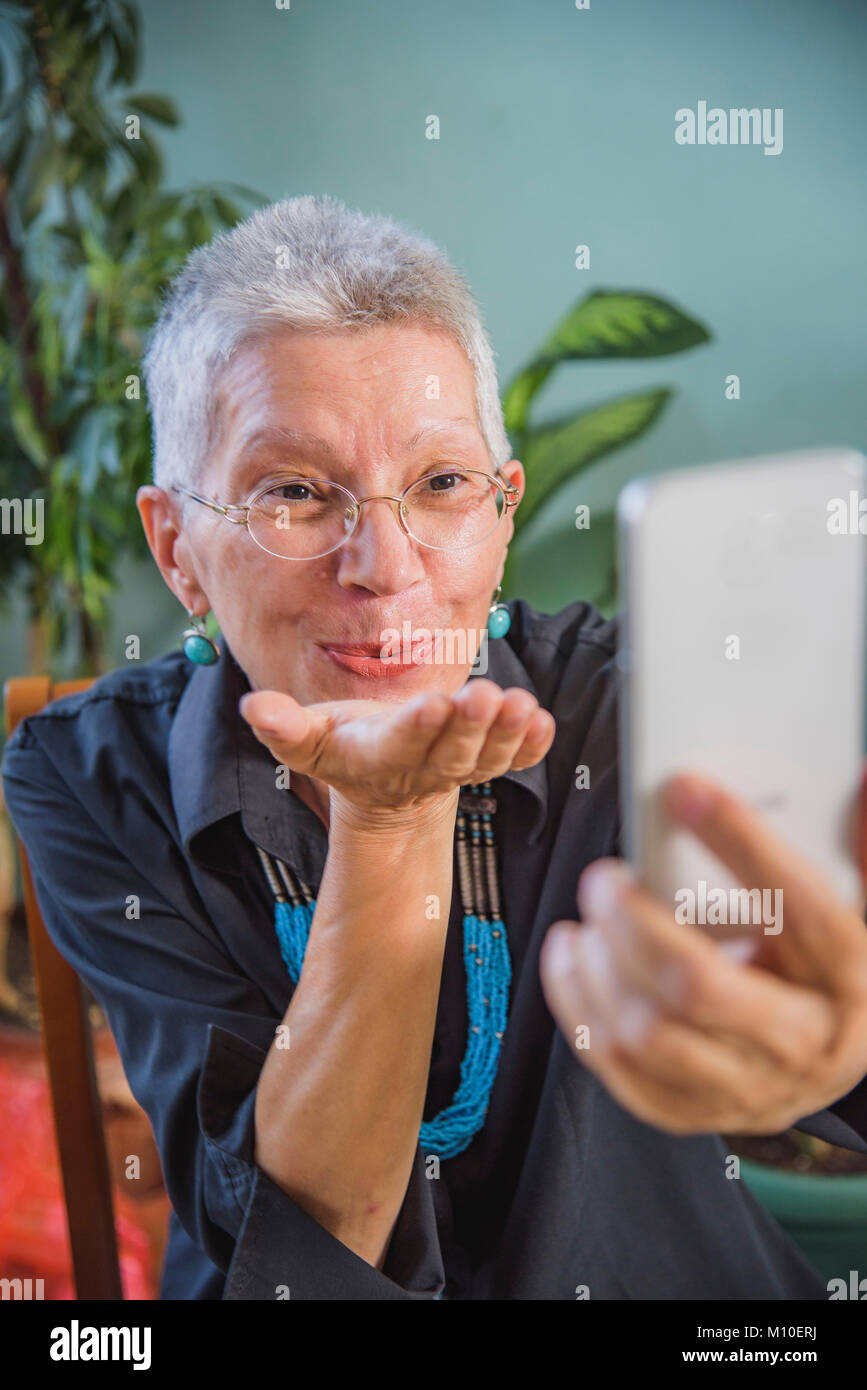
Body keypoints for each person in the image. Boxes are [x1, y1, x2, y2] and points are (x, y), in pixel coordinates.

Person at [4, 195, 867, 1300]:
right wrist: (391, 816)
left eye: (443, 484)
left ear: (503, 516)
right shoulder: (86, 769)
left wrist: (824, 1023)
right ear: (177, 549)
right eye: (295, 493)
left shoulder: (640, 703)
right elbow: (307, 1261)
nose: (385, 565)